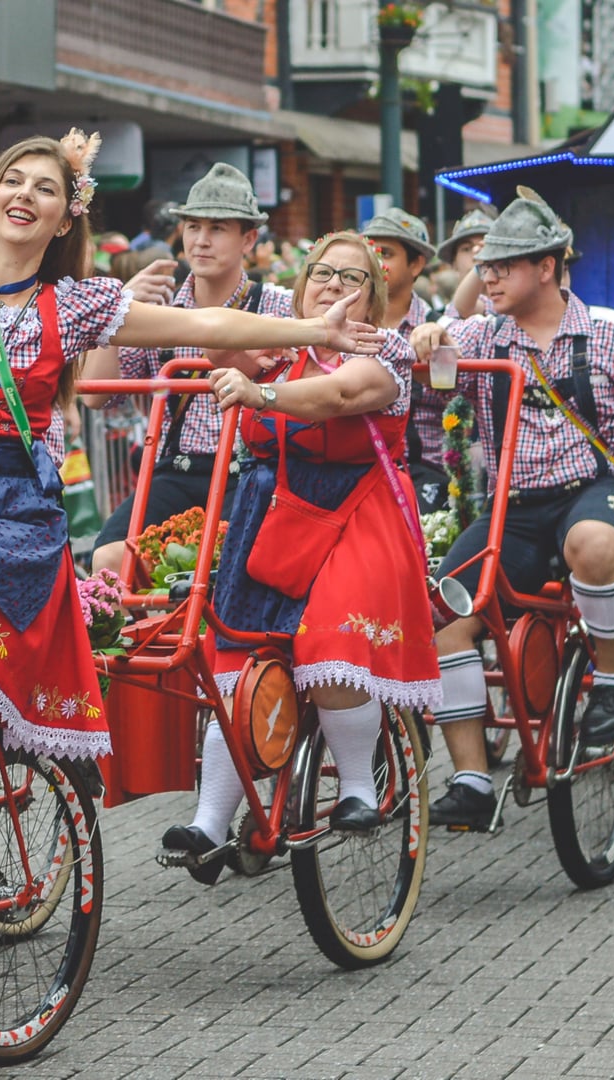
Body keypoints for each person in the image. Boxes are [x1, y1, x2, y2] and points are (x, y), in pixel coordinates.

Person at [0, 131, 385, 1009]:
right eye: (12, 181)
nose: (25, 195)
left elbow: (204, 325)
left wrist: (313, 329)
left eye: (46, 188)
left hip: (12, 521)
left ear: (66, 217)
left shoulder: (78, 303)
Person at [409, 189, 614, 828]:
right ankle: (471, 779)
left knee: (592, 541)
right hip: (514, 508)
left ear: (547, 267)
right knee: (444, 612)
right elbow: (431, 374)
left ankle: (612, 681)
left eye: (503, 265)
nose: (488, 276)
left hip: (600, 491)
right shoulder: (480, 334)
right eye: (484, 265)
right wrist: (429, 338)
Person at [161, 230, 438, 879]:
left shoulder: (386, 347)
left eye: (352, 277)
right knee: (236, 661)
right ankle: (210, 822)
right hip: (273, 511)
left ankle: (359, 788)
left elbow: (341, 396)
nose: (334, 285)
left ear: (375, 296)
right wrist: (259, 347)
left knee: (330, 642)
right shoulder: (282, 340)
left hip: (359, 509)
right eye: (322, 273)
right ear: (301, 284)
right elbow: (212, 347)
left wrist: (261, 392)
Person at [80, 163, 292, 576]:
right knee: (108, 558)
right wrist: (118, 309)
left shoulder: (278, 307)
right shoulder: (158, 309)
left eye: (218, 228)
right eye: (193, 226)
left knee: (223, 567)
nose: (201, 240)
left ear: (249, 238)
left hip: (251, 471)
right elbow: (95, 395)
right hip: (174, 470)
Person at [361, 209, 453, 512]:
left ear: (417, 265)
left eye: (385, 253)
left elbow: (459, 400)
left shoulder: (440, 328)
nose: (375, 263)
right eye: (369, 252)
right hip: (357, 470)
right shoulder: (345, 324)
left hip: (422, 472)